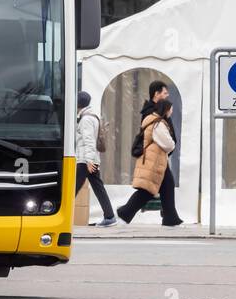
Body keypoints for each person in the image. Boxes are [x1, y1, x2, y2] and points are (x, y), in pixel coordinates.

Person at [117, 98, 184, 227]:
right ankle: (124, 212)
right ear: (165, 109)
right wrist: (172, 143)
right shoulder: (158, 123)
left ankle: (171, 218)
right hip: (154, 161)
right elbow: (169, 144)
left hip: (157, 161)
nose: (171, 111)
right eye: (170, 108)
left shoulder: (154, 120)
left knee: (167, 186)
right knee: (147, 191)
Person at [74, 91, 116, 226]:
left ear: (78, 103)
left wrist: (89, 161)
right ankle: (109, 216)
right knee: (98, 188)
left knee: (72, 189)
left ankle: (61, 215)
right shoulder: (92, 117)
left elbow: (89, 141)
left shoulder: (86, 119)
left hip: (85, 161)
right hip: (90, 159)